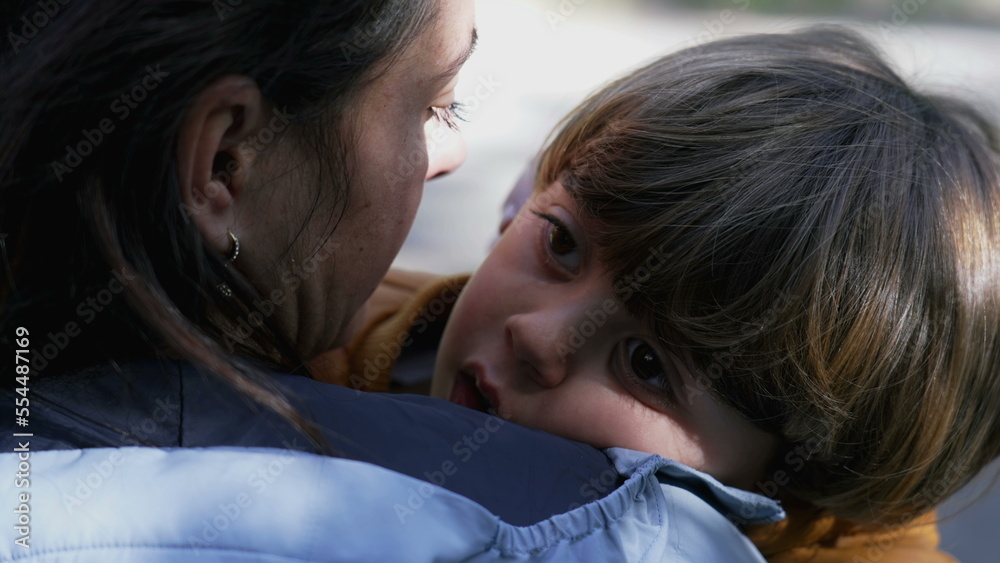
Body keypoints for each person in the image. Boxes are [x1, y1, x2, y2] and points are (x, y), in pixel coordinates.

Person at [0, 1, 712, 560]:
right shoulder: (590, 530)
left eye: (647, 361)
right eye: (436, 105)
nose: (453, 153)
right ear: (224, 161)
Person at [321, 26, 1000, 561]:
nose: (538, 337)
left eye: (648, 364)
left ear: (786, 481)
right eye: (561, 244)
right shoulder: (297, 343)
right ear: (520, 201)